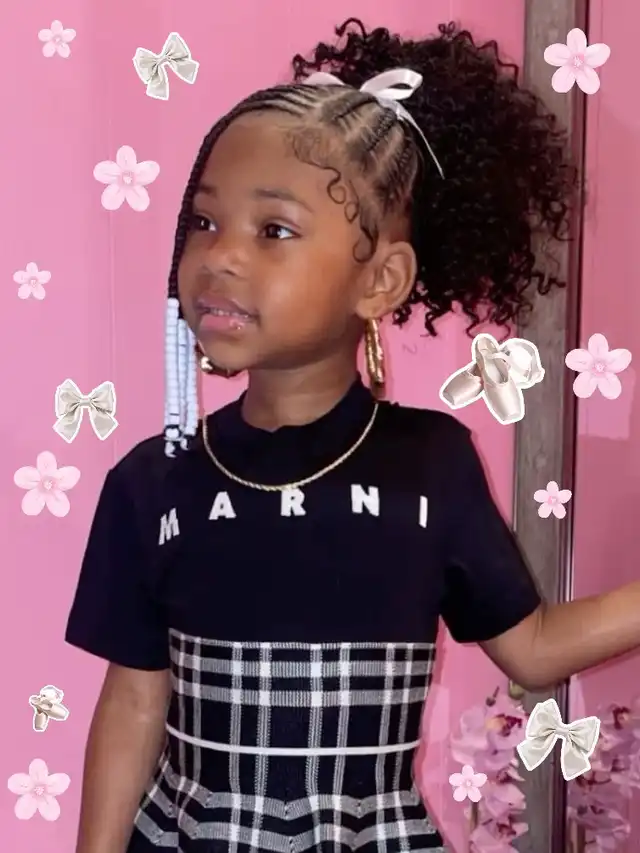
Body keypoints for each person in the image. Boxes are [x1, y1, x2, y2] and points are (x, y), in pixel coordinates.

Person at [65, 18, 640, 853]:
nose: (221, 257)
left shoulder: (431, 465)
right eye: (204, 222)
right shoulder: (153, 481)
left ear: (381, 280)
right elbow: (133, 699)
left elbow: (535, 647)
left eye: (274, 231)